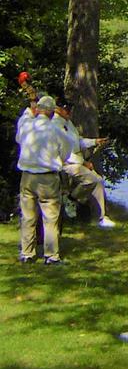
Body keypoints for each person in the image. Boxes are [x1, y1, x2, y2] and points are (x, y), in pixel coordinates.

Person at [15, 94, 75, 264]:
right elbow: (67, 150)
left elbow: (20, 133)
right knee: (50, 217)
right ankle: (51, 256)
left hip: (27, 176)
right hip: (47, 178)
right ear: (50, 112)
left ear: (37, 109)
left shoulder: (26, 125)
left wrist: (30, 106)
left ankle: (27, 253)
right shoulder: (55, 130)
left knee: (28, 216)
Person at [53, 100, 115, 228]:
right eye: (66, 109)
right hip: (65, 162)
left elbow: (78, 141)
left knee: (98, 180)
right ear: (58, 109)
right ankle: (71, 199)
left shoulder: (68, 123)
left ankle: (101, 217)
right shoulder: (55, 124)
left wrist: (94, 142)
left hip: (76, 159)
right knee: (92, 179)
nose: (69, 111)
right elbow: (64, 152)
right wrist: (84, 162)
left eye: (70, 108)